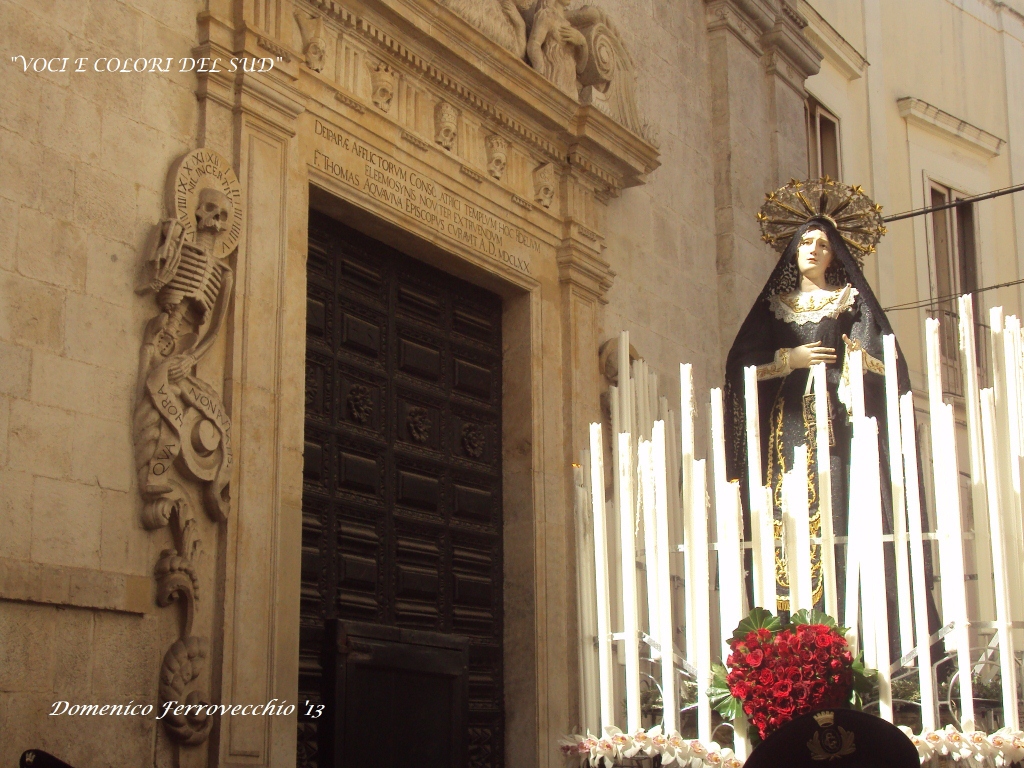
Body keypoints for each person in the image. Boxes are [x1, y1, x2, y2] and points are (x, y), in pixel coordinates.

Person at [724, 178, 905, 624]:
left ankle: (844, 614)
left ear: (835, 255)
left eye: (822, 244)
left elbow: (887, 361)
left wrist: (853, 361)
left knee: (836, 505)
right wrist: (789, 359)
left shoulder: (850, 301)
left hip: (835, 425)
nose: (812, 249)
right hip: (785, 429)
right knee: (790, 513)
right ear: (792, 251)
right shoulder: (774, 308)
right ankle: (792, 619)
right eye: (804, 241)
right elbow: (739, 367)